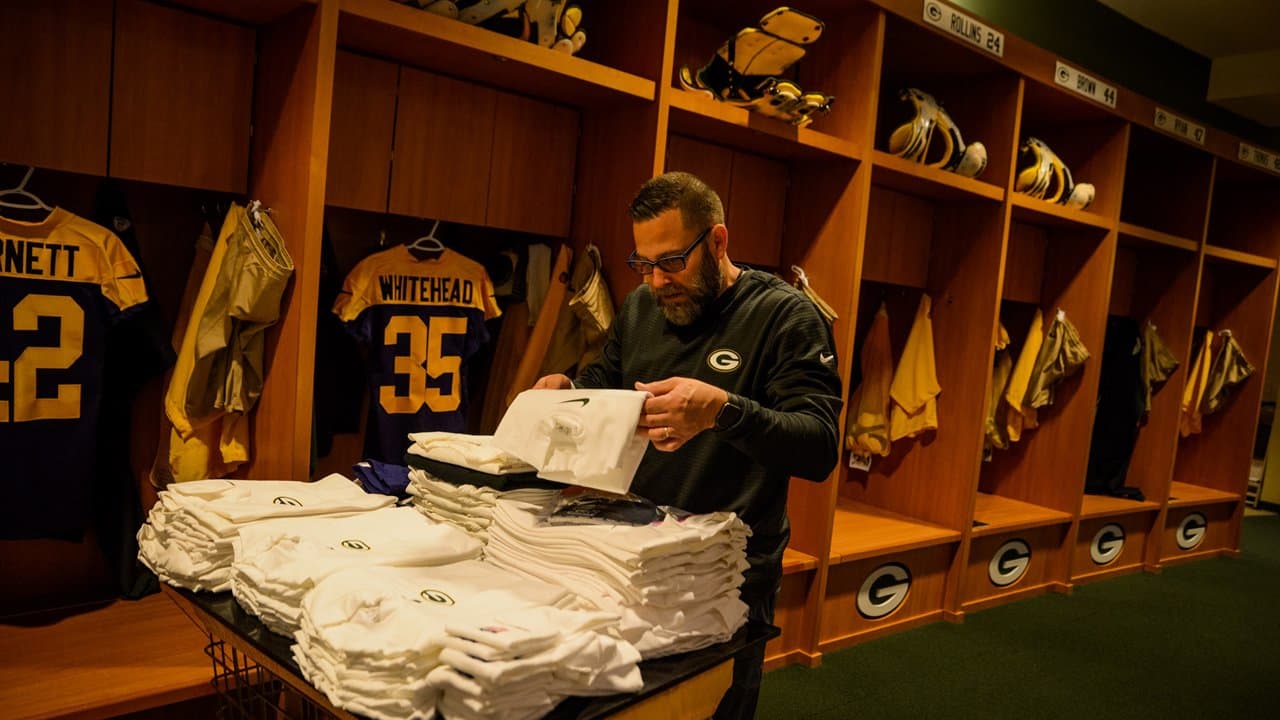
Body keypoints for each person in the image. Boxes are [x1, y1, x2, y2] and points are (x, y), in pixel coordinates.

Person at [534, 171, 843, 718]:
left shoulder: (786, 316)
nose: (655, 281)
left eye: (671, 262)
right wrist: (568, 390)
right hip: (637, 550)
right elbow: (605, 384)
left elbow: (819, 447)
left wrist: (722, 410)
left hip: (730, 567)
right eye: (643, 264)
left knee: (716, 707)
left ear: (718, 242)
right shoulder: (640, 307)